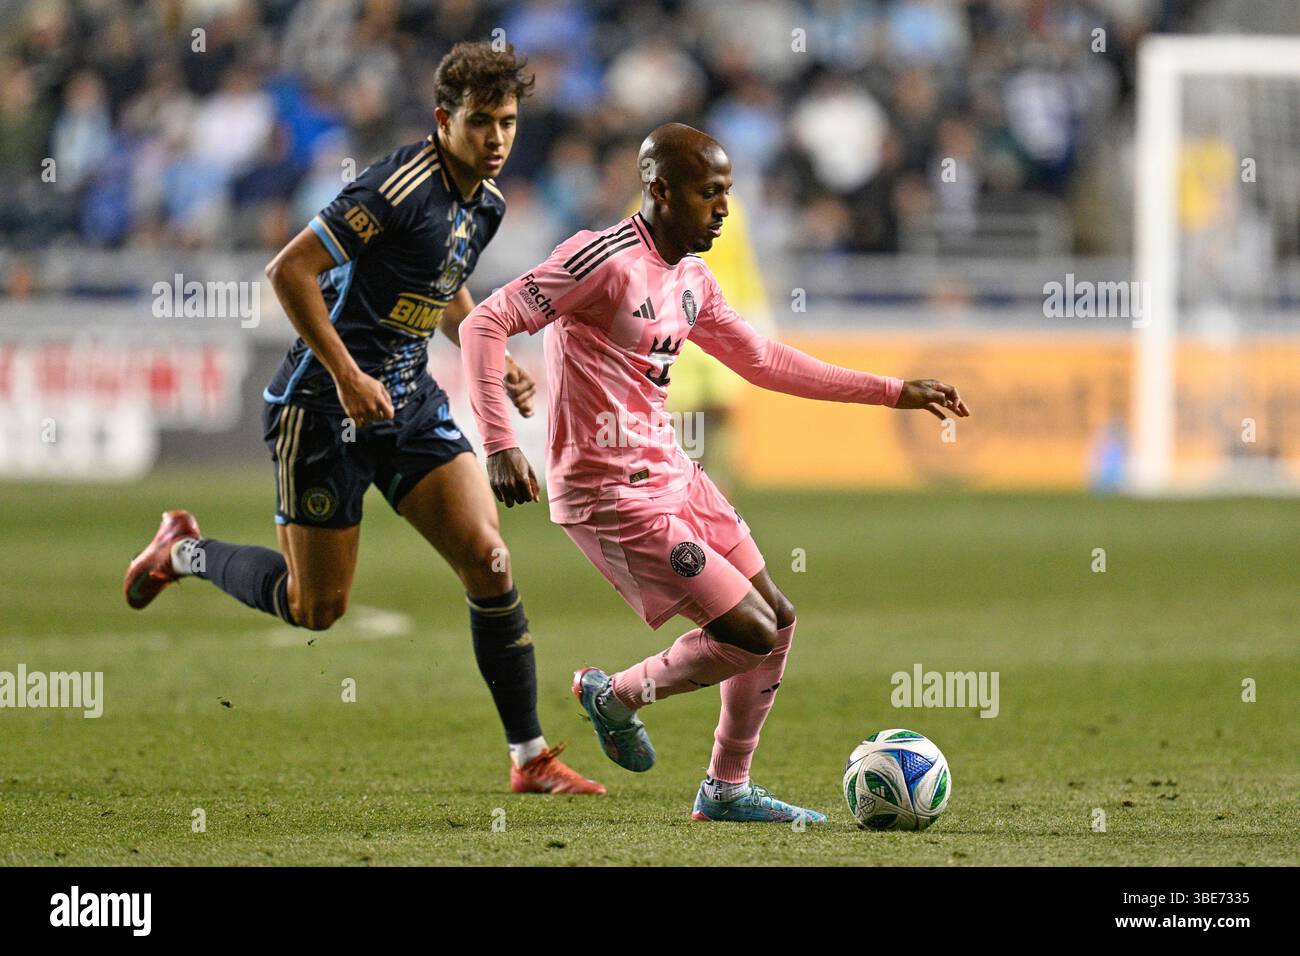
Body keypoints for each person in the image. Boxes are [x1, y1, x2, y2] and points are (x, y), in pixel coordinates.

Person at [123, 41, 605, 797]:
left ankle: (530, 758)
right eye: (481, 122)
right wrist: (346, 374)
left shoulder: (486, 202)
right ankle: (184, 551)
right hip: (322, 409)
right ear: (444, 120)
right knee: (316, 608)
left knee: (491, 560)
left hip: (408, 404)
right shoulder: (397, 187)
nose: (498, 138)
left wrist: (489, 349)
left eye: (508, 122)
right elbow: (289, 271)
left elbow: (441, 283)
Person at [459, 123, 969, 822]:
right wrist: (498, 441)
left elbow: (766, 361)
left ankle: (725, 789)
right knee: (749, 631)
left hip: (674, 474)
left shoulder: (694, 278)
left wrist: (893, 390)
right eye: (710, 193)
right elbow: (484, 323)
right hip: (609, 495)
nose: (724, 208)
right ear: (661, 191)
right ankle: (615, 696)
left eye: (727, 192)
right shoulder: (599, 261)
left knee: (779, 621)